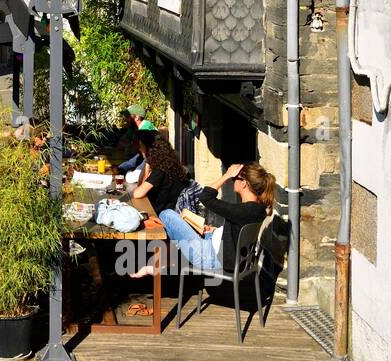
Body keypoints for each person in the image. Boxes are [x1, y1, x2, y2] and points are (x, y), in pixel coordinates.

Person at [131, 162, 278, 278]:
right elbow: (236, 231)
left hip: (210, 257)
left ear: (244, 183)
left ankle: (159, 265)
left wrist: (226, 175)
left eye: (234, 179)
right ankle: (159, 265)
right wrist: (215, 231)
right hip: (218, 248)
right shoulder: (258, 209)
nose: (232, 181)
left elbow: (205, 196)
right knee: (183, 221)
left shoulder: (241, 211)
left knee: (167, 215)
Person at [129, 127, 186, 213]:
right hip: (166, 210)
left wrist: (148, 161)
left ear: (150, 148)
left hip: (162, 214)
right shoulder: (168, 163)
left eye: (141, 146)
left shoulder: (160, 170)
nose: (139, 149)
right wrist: (148, 161)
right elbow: (140, 184)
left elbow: (137, 193)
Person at [114, 104, 149, 175]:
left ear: (137, 117)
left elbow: (149, 159)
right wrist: (120, 168)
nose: (125, 119)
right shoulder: (135, 129)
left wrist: (133, 174)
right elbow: (136, 158)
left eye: (127, 116)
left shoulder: (146, 130)